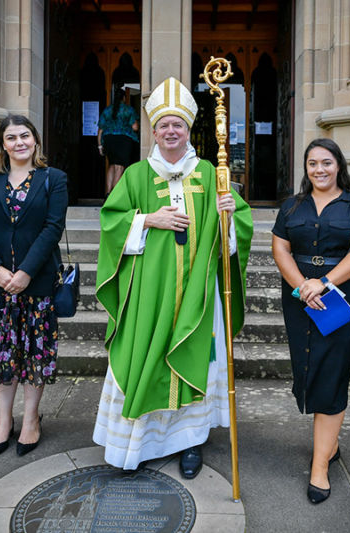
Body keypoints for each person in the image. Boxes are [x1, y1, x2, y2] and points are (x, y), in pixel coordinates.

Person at [93, 77, 253, 479]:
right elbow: (111, 223)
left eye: (177, 125)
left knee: (194, 357)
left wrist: (230, 216)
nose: (170, 131)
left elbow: (236, 237)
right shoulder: (135, 175)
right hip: (149, 291)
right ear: (153, 130)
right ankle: (140, 442)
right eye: (163, 124)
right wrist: (149, 219)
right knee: (142, 357)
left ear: (188, 130)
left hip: (198, 292)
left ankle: (190, 442)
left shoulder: (209, 173)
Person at [271, 138, 350, 504]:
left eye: (327, 163)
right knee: (309, 368)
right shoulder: (292, 206)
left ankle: (320, 466)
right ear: (306, 168)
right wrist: (303, 286)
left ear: (339, 166)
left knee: (331, 375)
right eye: (313, 163)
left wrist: (324, 282)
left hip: (340, 300)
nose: (320, 169)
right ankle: (328, 446)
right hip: (300, 300)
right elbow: (280, 247)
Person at [0, 114, 68, 457]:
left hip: (36, 282)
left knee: (34, 354)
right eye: (11, 138)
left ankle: (30, 420)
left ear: (36, 140)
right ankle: (3, 421)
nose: (19, 143)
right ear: (3, 144)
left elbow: (53, 227)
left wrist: (25, 272)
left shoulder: (52, 179)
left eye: (25, 135)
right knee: (2, 354)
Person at [97, 88, 139, 195]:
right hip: (123, 140)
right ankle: (114, 197)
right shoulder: (128, 110)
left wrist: (100, 146)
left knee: (112, 165)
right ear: (124, 98)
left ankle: (107, 194)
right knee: (119, 167)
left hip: (108, 140)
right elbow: (135, 127)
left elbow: (100, 129)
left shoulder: (107, 110)